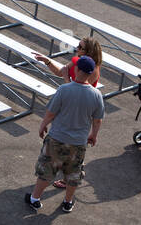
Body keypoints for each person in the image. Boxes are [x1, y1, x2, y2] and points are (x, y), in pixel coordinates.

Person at [26, 56, 103, 213]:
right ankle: (67, 202)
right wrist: (93, 135)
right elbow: (97, 120)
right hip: (79, 142)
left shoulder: (64, 89)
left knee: (47, 170)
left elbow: (51, 113)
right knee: (73, 174)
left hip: (57, 138)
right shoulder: (96, 94)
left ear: (77, 70)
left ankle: (35, 199)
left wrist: (42, 126)